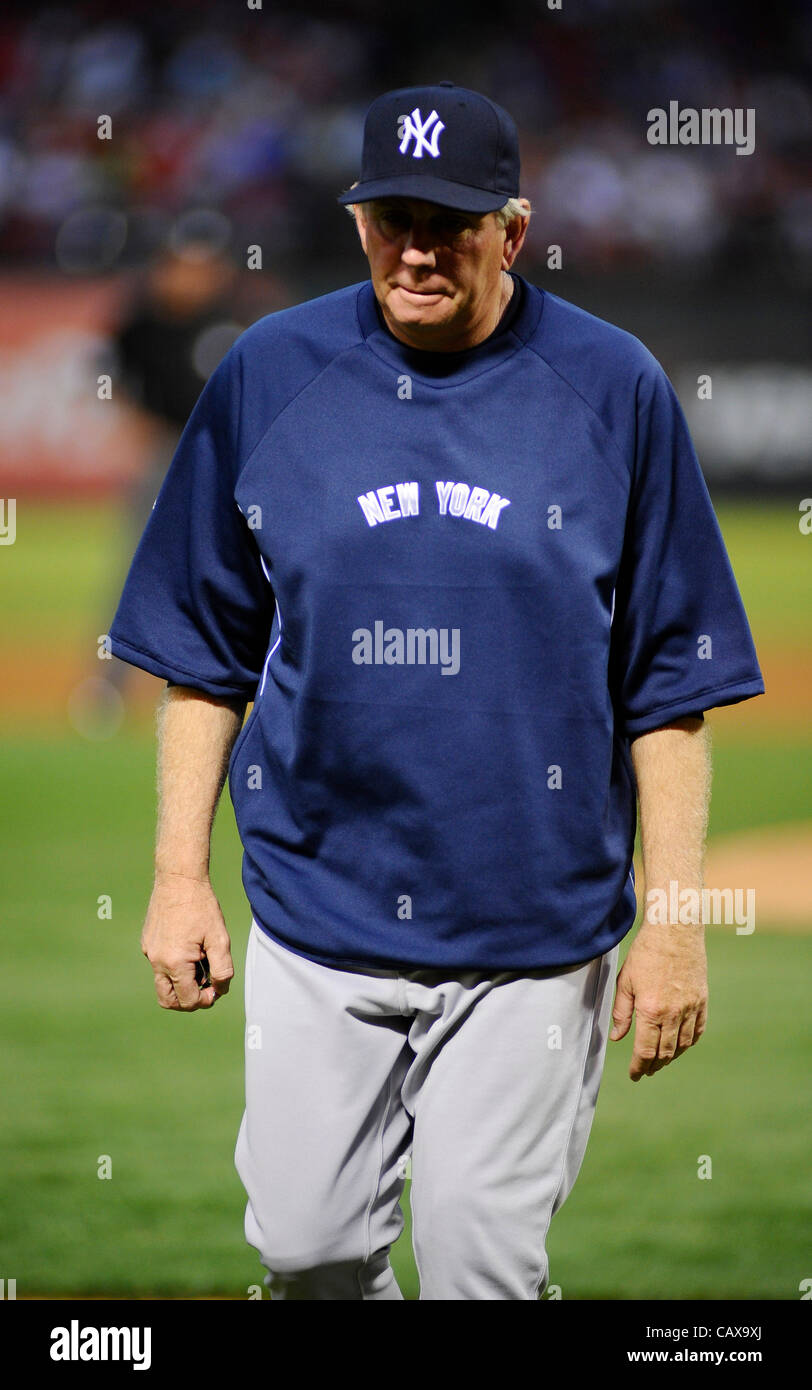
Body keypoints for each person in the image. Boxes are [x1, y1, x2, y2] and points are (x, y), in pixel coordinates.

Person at [107, 82, 765, 1300]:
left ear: (510, 231)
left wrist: (670, 924)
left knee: (478, 1265)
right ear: (356, 221)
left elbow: (669, 692)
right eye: (390, 214)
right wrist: (176, 876)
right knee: (308, 1254)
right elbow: (203, 655)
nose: (415, 247)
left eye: (448, 220)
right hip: (316, 905)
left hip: (532, 927)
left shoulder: (610, 387)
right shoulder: (270, 373)